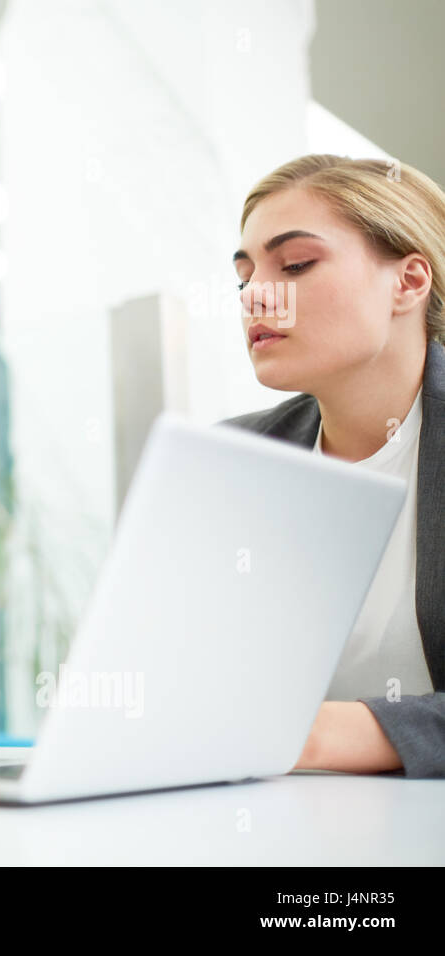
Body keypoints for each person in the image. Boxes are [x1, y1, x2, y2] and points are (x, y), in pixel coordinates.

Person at [226, 154, 445, 778]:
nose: (256, 298)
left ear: (408, 282)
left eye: (295, 265)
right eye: (243, 279)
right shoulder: (239, 462)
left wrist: (324, 734)